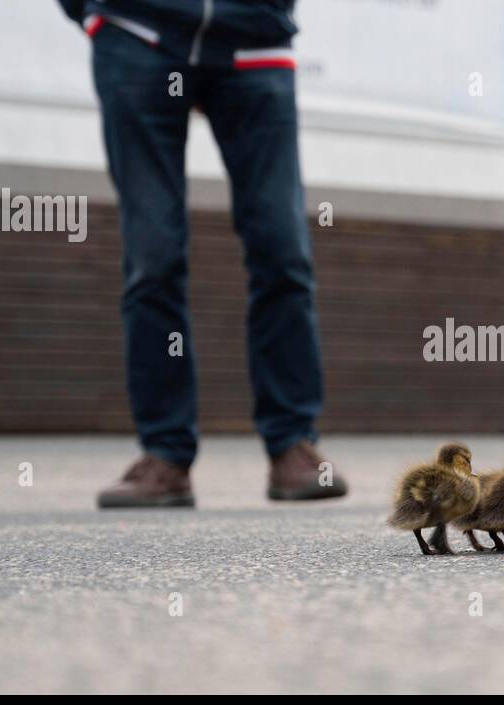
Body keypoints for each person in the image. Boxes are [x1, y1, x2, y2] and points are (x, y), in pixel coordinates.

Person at [58, 0, 348, 506]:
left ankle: (292, 445)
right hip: (138, 32)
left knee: (283, 251)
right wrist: (94, 15)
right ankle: (165, 455)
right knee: (154, 256)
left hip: (255, 37)